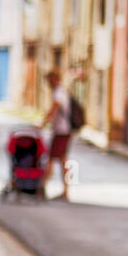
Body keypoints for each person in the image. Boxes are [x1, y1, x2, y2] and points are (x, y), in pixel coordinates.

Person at [40, 70, 71, 201]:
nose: (48, 83)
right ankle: (64, 190)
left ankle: (42, 187)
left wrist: (42, 124)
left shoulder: (58, 93)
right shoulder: (60, 92)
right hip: (62, 131)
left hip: (61, 131)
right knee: (61, 160)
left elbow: (53, 110)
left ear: (55, 79)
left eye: (49, 80)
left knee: (52, 159)